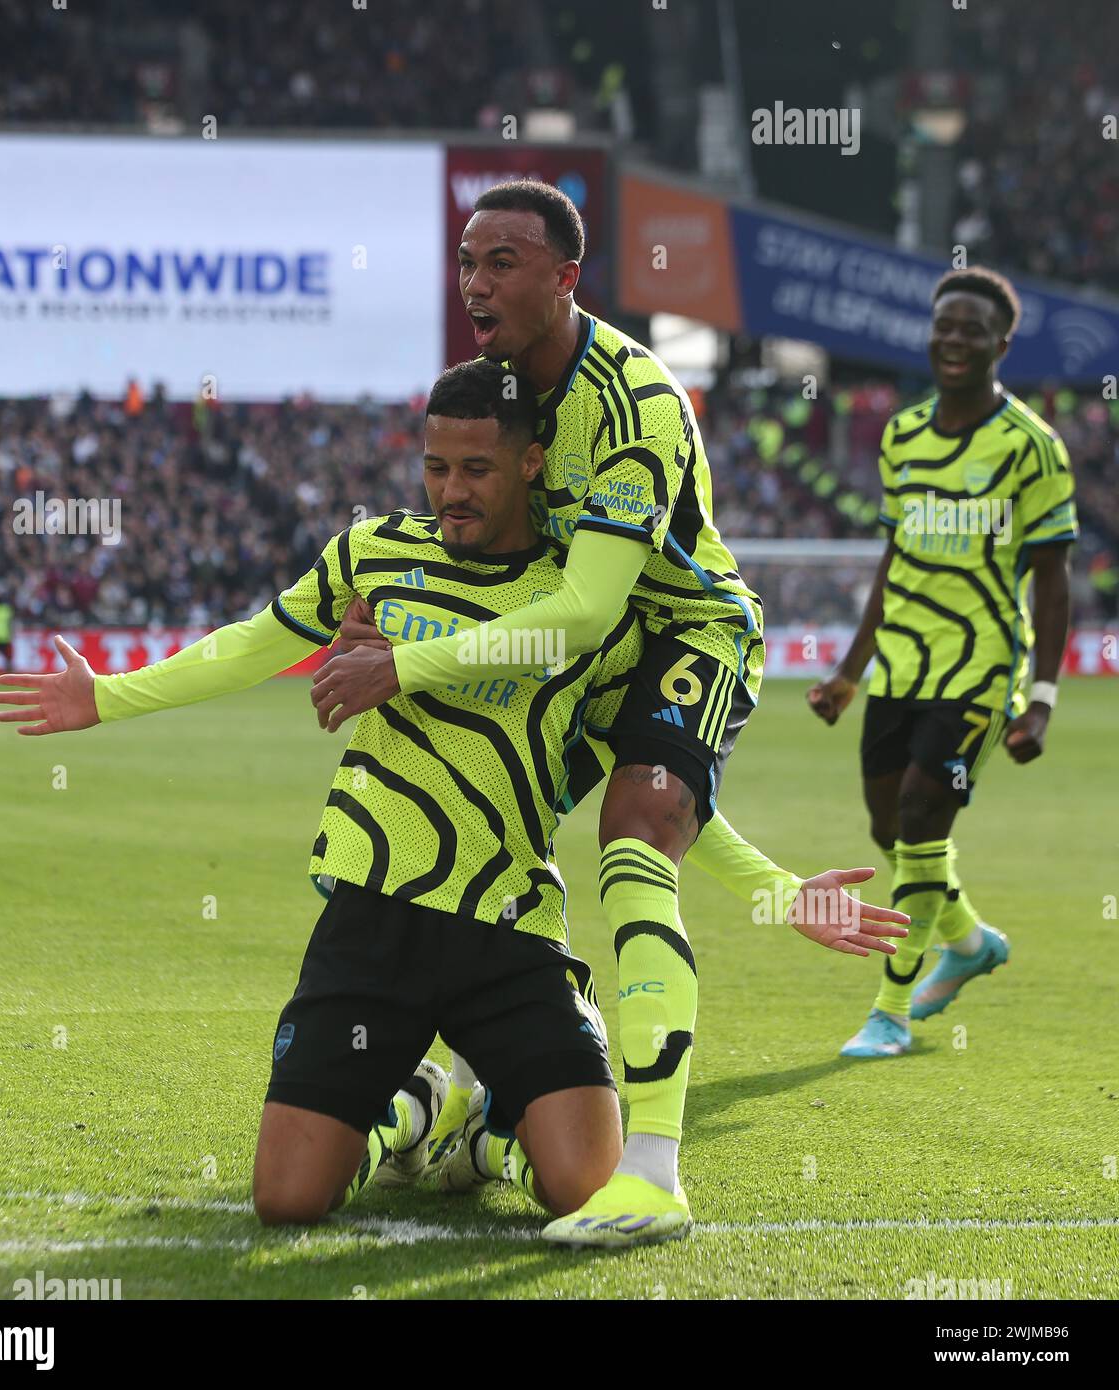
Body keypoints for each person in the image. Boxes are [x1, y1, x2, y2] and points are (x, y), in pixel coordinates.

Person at [306, 179, 899, 1245]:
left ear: (565, 276)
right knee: (504, 822)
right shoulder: (492, 391)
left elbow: (587, 606)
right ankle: (468, 1104)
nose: (475, 282)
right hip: (571, 641)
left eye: (502, 262)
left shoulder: (637, 401)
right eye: (466, 260)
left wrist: (408, 662)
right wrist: (774, 892)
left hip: (678, 631)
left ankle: (654, 1174)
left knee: (633, 835)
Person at [807, 267, 1078, 1058]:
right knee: (889, 825)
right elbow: (893, 559)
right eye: (943, 325)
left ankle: (889, 1010)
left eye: (971, 329)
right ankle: (968, 941)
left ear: (1002, 343)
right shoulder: (903, 434)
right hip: (899, 665)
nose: (954, 340)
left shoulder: (1031, 447)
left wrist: (1043, 698)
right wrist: (851, 672)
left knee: (925, 815)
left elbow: (1053, 580)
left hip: (981, 666)